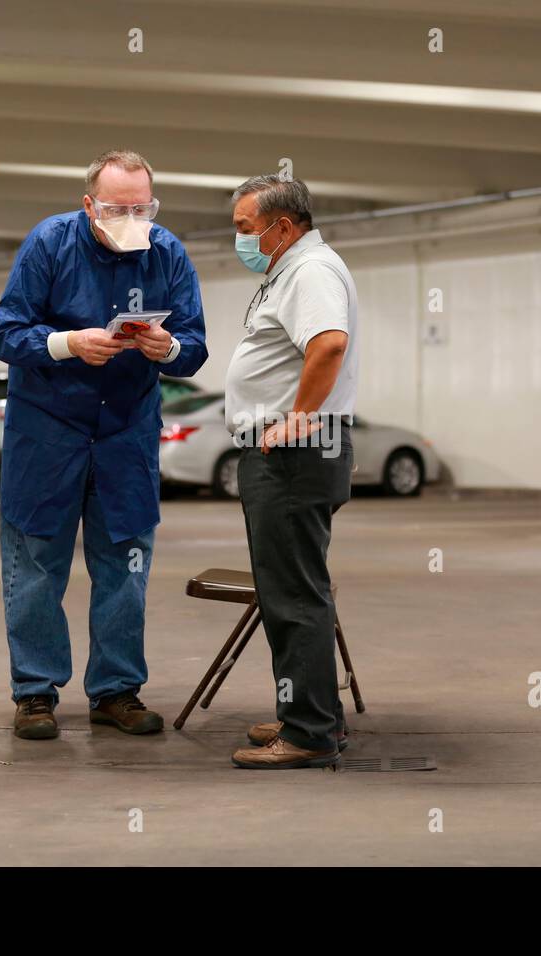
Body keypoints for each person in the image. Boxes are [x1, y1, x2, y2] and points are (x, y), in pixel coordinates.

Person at [0, 149, 207, 740]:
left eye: (143, 208)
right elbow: (6, 333)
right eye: (117, 208)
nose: (132, 219)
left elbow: (196, 346)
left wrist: (167, 349)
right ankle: (35, 694)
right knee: (36, 565)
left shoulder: (167, 253)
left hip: (125, 435)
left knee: (125, 568)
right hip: (47, 433)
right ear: (89, 206)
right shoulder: (49, 244)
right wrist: (67, 343)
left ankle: (116, 691)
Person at [223, 174, 359, 769]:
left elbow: (328, 344)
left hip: (294, 457)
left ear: (282, 228)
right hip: (289, 454)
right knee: (289, 590)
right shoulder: (292, 271)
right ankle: (306, 712)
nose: (239, 240)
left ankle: (308, 733)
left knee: (293, 593)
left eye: (245, 230)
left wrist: (300, 419)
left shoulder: (310, 272)